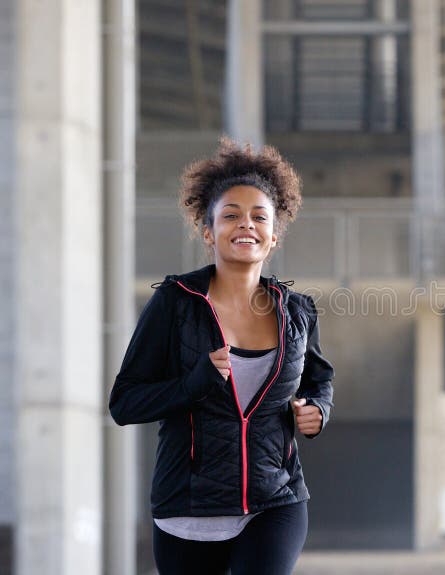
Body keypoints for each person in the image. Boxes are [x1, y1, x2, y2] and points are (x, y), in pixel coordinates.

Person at [109, 137, 335, 574]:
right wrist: (194, 384)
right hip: (186, 509)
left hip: (275, 500)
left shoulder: (298, 312)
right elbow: (124, 403)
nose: (245, 224)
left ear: (273, 237)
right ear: (208, 232)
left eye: (258, 216)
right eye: (231, 215)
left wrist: (319, 410)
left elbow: (318, 380)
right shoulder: (175, 304)